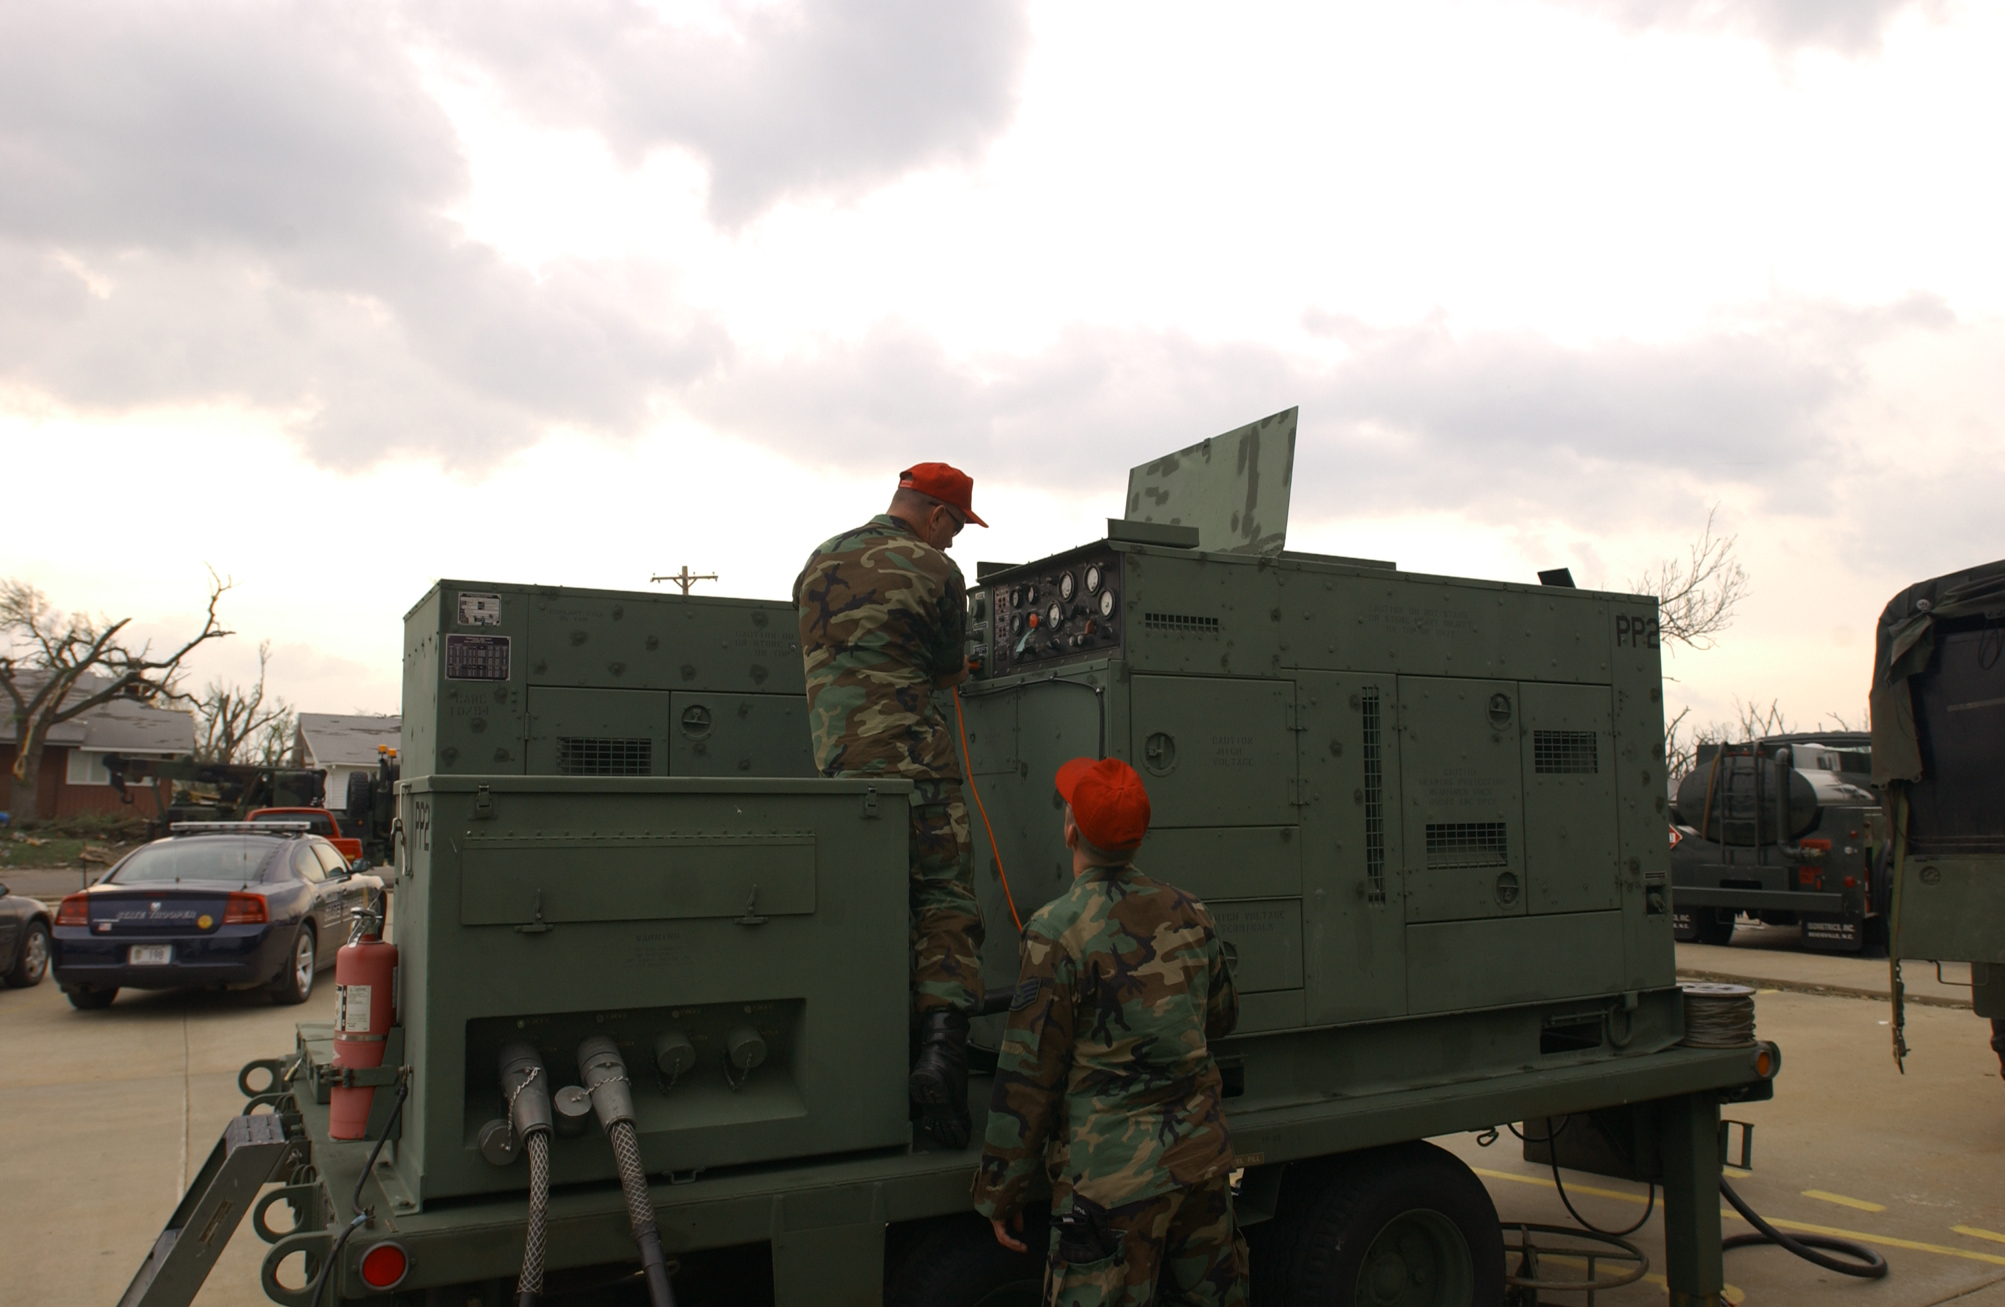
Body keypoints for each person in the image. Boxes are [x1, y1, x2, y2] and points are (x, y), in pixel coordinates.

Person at [972, 756, 1246, 1306]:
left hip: (1109, 1187)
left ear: (1070, 830)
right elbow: (1221, 1018)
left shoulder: (1056, 931)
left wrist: (1001, 1191)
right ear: (1138, 837)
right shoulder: (1192, 913)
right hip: (1201, 1162)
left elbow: (1030, 1075)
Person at [794, 462, 988, 1147]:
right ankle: (941, 1057)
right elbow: (944, 669)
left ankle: (871, 1062)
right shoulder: (934, 571)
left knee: (873, 907)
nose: (956, 541)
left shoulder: (819, 559)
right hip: (913, 760)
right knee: (942, 899)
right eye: (957, 527)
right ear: (935, 515)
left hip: (840, 769)